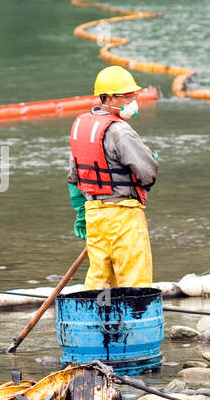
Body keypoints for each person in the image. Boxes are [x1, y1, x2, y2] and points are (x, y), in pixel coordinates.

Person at [67, 66, 157, 289]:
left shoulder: (81, 128)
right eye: (126, 96)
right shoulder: (121, 131)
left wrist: (81, 212)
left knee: (100, 280)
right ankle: (135, 322)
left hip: (94, 215)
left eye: (133, 95)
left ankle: (95, 323)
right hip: (123, 215)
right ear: (107, 98)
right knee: (135, 280)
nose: (132, 101)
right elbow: (148, 174)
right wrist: (152, 159)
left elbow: (74, 176)